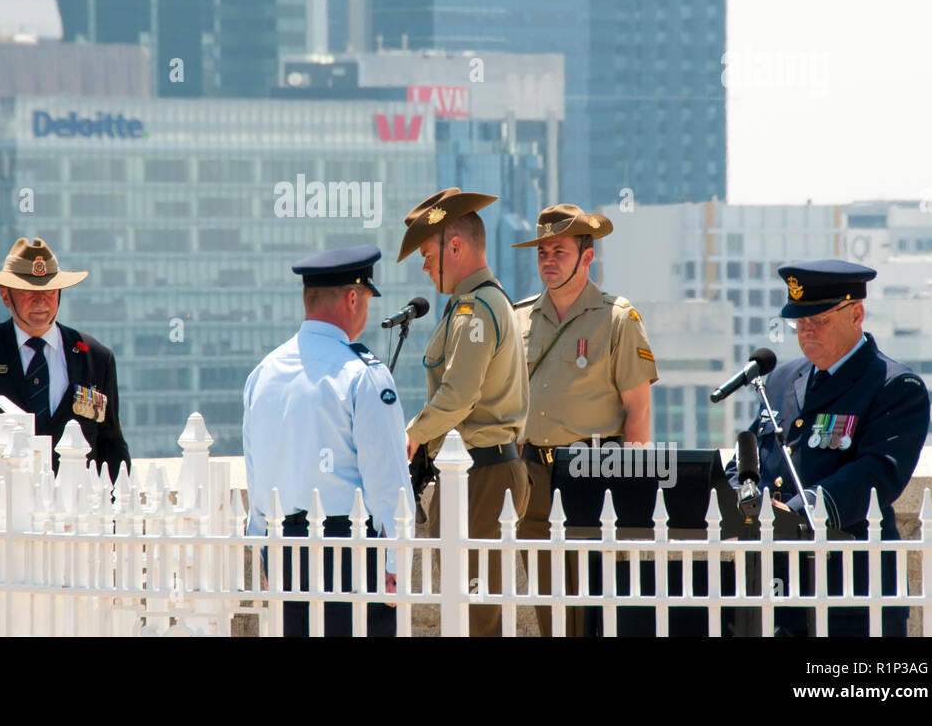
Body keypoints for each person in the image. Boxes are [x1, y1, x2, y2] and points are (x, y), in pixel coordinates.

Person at [726, 260, 930, 636]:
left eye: (818, 321)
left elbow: (877, 472)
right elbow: (751, 455)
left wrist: (797, 511)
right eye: (799, 323)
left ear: (856, 314)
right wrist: (741, 495)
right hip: (776, 587)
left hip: (849, 587)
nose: (807, 332)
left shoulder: (895, 386)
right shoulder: (781, 379)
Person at [243, 245, 413, 637]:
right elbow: (388, 481)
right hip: (350, 555)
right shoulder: (363, 373)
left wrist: (267, 555)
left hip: (286, 553)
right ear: (353, 298)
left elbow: (256, 476)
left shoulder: (263, 374)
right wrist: (395, 565)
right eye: (366, 300)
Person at [510, 204, 658, 636]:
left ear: (587, 256)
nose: (548, 260)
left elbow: (638, 410)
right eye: (542, 252)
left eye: (559, 250)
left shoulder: (617, 318)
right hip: (532, 476)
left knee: (598, 606)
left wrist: (631, 489)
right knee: (548, 603)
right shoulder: (520, 317)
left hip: (595, 473)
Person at [399, 188, 529, 637]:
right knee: (462, 605)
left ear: (454, 246)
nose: (423, 265)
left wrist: (411, 435)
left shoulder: (477, 306)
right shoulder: (467, 304)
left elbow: (458, 397)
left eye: (426, 253)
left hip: (486, 475)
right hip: (472, 474)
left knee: (477, 613)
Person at [0, 237, 130, 477]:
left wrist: (113, 510)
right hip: (0, 506)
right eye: (27, 291)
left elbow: (111, 444)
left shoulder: (95, 357)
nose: (40, 300)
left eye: (48, 290)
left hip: (74, 507)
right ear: (5, 296)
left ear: (59, 293)